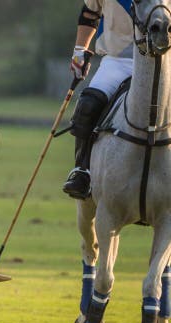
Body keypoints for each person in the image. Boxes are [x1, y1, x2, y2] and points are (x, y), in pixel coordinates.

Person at [63, 0, 134, 199]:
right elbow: (89, 14)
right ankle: (82, 170)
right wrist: (80, 51)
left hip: (161, 62)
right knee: (87, 105)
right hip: (118, 61)